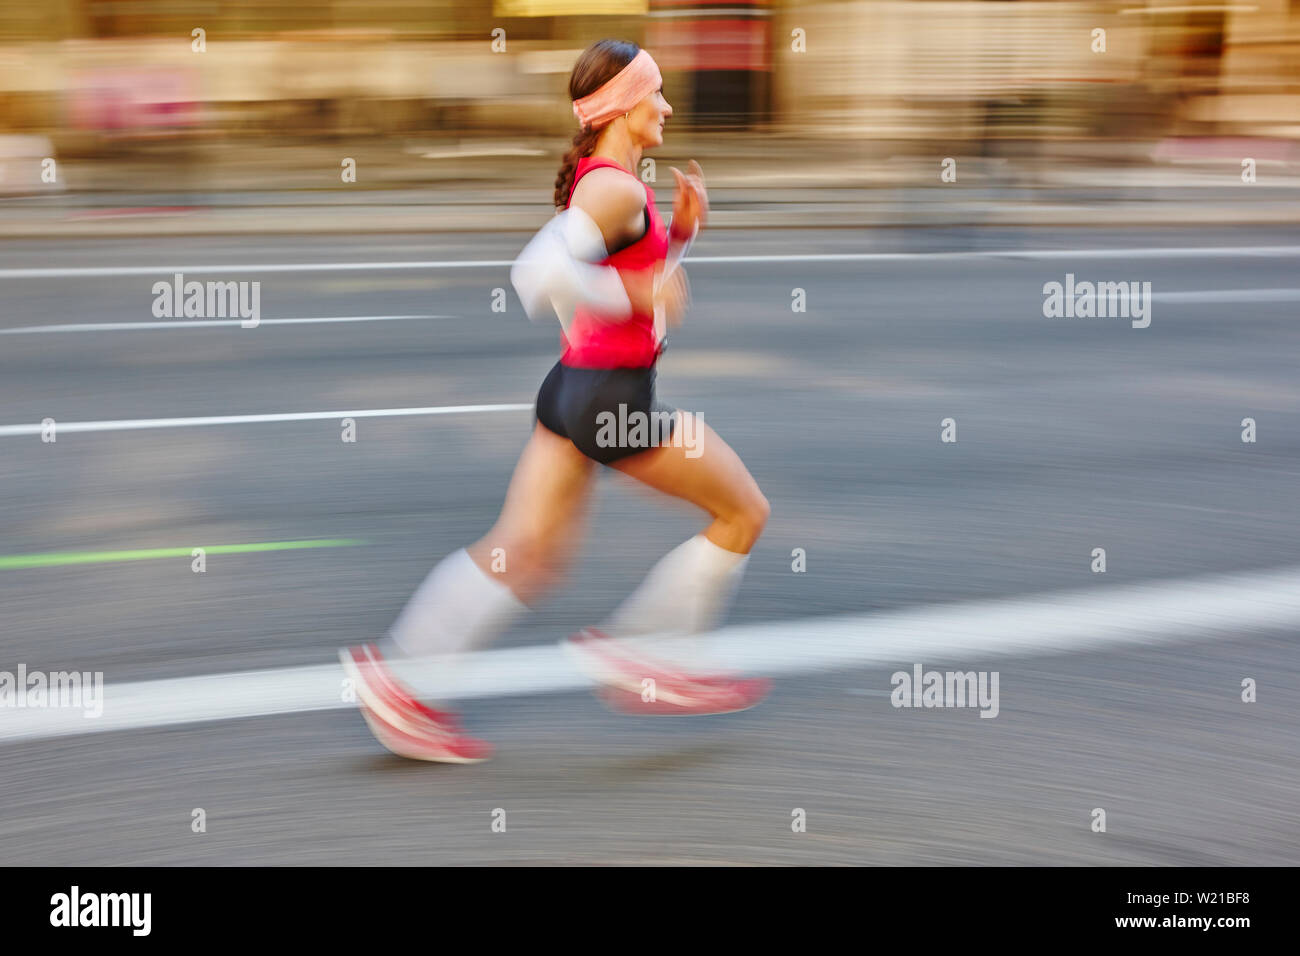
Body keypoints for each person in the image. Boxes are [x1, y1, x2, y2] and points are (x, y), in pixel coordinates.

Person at [340, 39, 771, 762]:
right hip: (611, 401)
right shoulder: (616, 189)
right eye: (656, 93)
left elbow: (641, 297)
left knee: (525, 556)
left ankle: (401, 681)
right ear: (624, 105)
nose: (667, 105)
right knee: (744, 511)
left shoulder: (617, 184)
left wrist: (683, 236)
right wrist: (637, 288)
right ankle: (648, 655)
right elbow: (536, 273)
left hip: (575, 390)